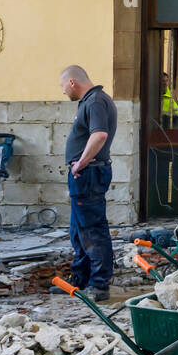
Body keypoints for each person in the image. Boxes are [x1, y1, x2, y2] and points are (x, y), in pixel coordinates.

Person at [59, 65, 117, 301]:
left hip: (89, 175)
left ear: (73, 82)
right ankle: (80, 279)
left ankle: (99, 285)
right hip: (85, 176)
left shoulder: (95, 101)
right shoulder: (92, 101)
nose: (63, 91)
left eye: (62, 85)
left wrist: (80, 163)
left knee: (92, 230)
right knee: (79, 230)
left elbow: (99, 135)